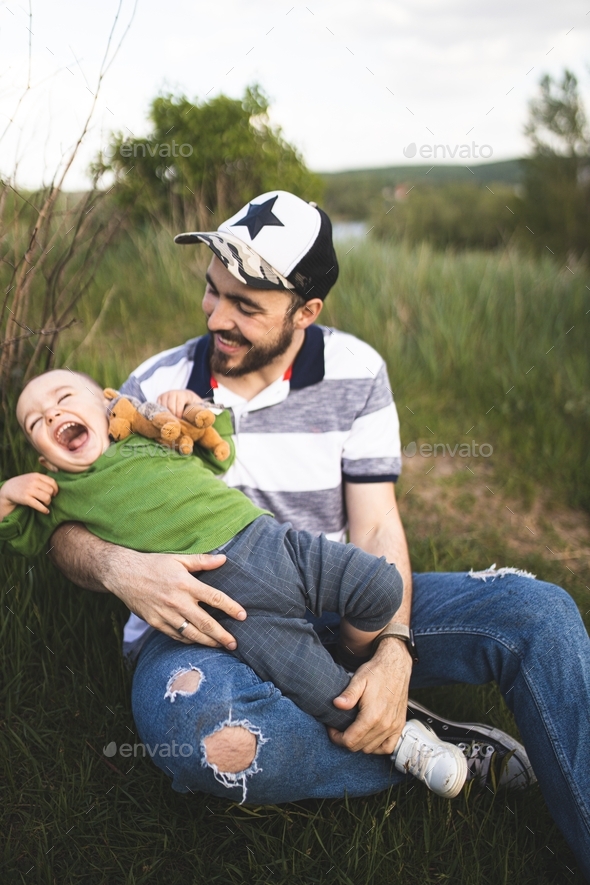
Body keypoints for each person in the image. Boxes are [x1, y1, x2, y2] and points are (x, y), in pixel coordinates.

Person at [48, 191, 590, 877]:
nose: (218, 317)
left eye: (247, 306)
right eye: (212, 292)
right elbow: (65, 529)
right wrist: (119, 569)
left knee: (541, 613)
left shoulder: (357, 372)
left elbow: (374, 523)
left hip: (335, 595)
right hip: (200, 624)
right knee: (209, 737)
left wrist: (393, 647)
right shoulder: (153, 388)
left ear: (306, 312)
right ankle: (429, 749)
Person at [2, 368, 469, 798]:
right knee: (330, 697)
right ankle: (406, 744)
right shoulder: (61, 491)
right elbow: (26, 535)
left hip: (270, 544)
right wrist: (8, 496)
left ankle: (348, 653)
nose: (52, 414)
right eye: (35, 423)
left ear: (108, 404)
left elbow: (216, 446)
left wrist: (187, 409)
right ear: (41, 453)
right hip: (225, 606)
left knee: (382, 589)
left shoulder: (151, 436)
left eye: (64, 397)